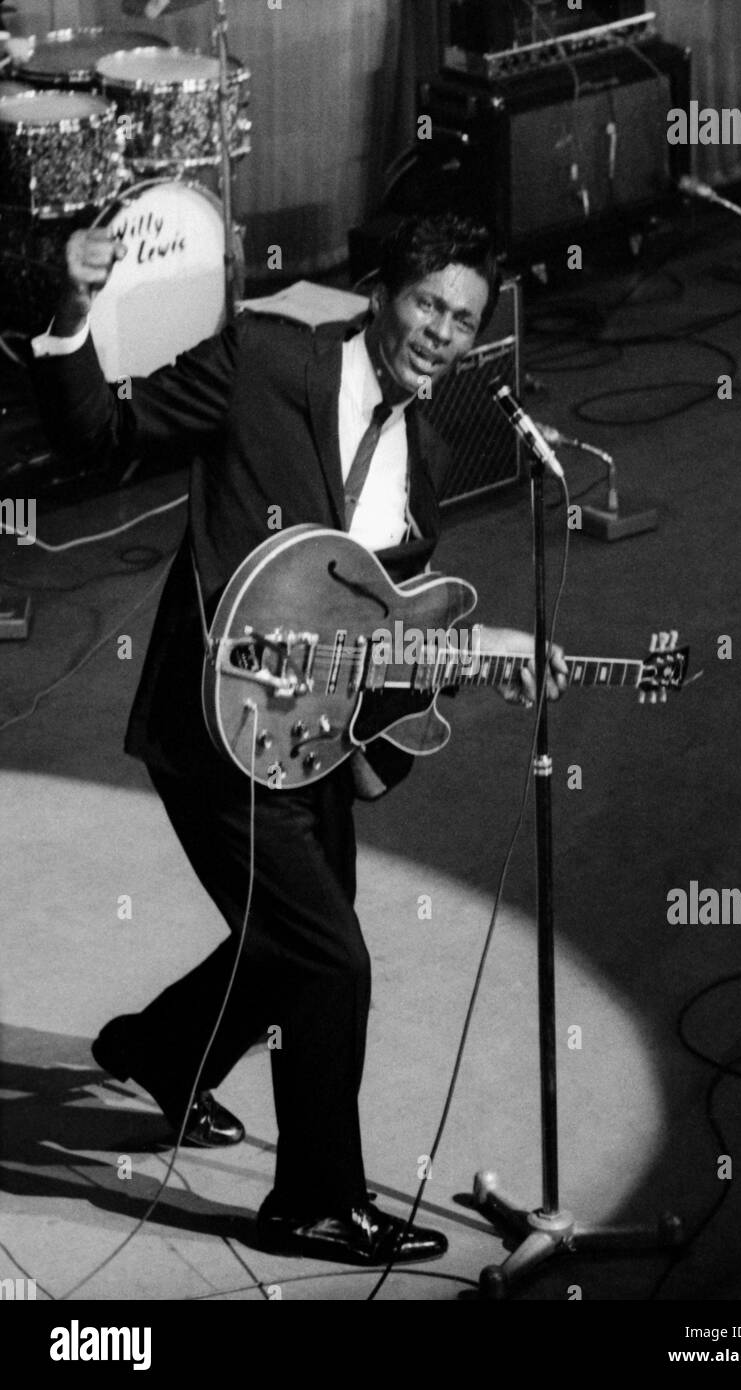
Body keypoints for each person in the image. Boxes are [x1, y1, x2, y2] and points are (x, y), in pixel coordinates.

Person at [30, 213, 568, 1265]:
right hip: (213, 728)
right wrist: (68, 317)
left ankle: (163, 1051)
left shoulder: (429, 453)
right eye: (428, 305)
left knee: (299, 934)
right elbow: (103, 433)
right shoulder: (268, 360)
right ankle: (312, 1201)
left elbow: (381, 624)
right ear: (383, 292)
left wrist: (469, 654)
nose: (442, 334)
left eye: (463, 320)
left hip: (309, 735)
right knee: (329, 959)